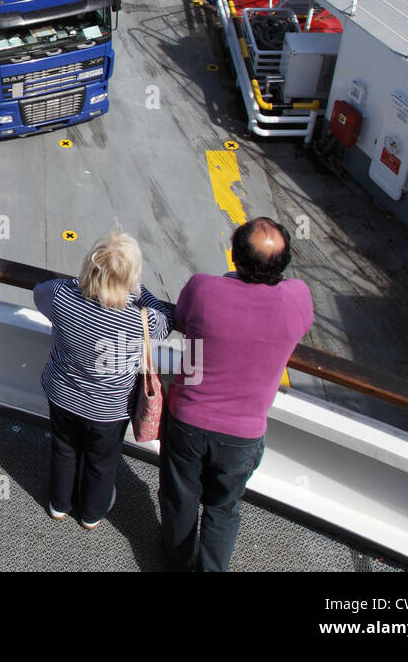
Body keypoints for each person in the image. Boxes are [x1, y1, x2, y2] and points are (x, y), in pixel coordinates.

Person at [159, 216, 314, 572]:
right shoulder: (297, 297)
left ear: (234, 256)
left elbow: (181, 317)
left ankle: (175, 560)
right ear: (284, 263)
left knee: (180, 498)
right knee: (224, 508)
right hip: (243, 435)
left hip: (188, 420)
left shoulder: (202, 288)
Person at [34, 230, 173, 529]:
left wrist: (82, 282)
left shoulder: (61, 296)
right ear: (131, 278)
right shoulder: (141, 320)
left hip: (63, 394)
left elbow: (39, 292)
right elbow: (166, 318)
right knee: (102, 462)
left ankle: (59, 504)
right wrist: (139, 291)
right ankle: (91, 514)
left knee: (64, 448)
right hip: (109, 409)